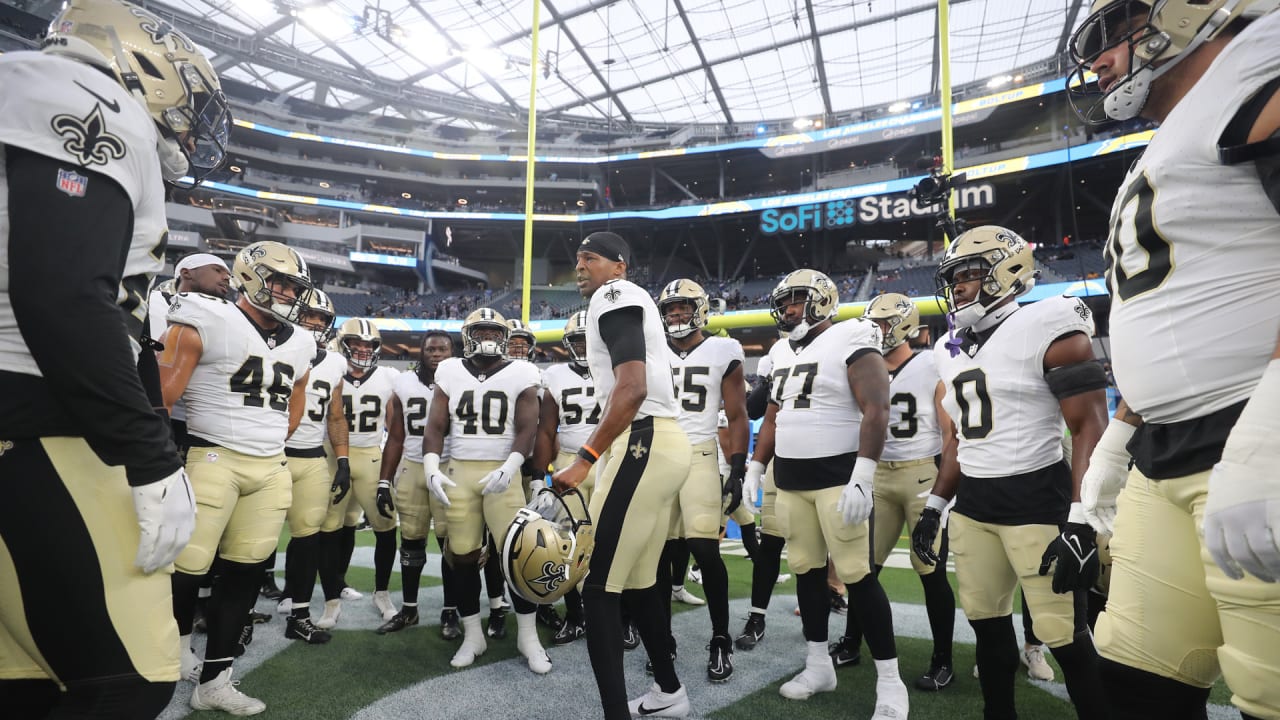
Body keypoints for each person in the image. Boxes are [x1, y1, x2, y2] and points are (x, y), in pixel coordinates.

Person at [0, 0, 227, 715]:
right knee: (132, 676)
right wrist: (150, 455)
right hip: (37, 417)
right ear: (148, 64)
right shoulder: (86, 95)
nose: (188, 127)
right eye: (188, 105)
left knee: (26, 672)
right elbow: (63, 291)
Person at [1069, 2, 1280, 718]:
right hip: (1163, 457)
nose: (1097, 60)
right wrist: (1118, 442)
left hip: (1254, 431)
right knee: (1132, 682)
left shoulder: (1261, 58)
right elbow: (1170, 312)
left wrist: (1273, 422)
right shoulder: (1171, 139)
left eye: (1112, 34)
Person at [911, 225, 1109, 720]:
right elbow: (956, 438)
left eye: (970, 274)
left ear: (1009, 272)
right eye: (952, 277)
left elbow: (1090, 426)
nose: (957, 287)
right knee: (987, 628)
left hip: (1034, 499)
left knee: (1065, 636)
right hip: (973, 507)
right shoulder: (948, 348)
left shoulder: (1049, 321)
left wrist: (1082, 519)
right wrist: (935, 506)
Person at [745, 269, 908, 716]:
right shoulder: (779, 351)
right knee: (805, 569)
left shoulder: (852, 334)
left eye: (797, 300)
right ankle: (818, 664)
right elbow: (773, 417)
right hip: (793, 481)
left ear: (822, 300)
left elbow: (876, 407)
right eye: (785, 301)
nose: (789, 309)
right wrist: (757, 465)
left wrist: (863, 473)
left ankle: (891, 683)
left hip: (838, 476)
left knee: (857, 575)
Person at [160, 240, 314, 715]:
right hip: (212, 457)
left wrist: (263, 442)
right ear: (250, 276)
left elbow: (294, 408)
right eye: (282, 282)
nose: (289, 293)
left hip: (270, 467)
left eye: (295, 286)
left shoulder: (303, 341)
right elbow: (162, 395)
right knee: (186, 569)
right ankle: (173, 655)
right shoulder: (207, 316)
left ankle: (216, 679)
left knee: (246, 572)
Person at [552, 231, 692, 719]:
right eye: (577, 259)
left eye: (590, 257)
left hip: (643, 439)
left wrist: (585, 457)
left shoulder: (615, 296)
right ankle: (669, 693)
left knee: (597, 586)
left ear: (619, 266)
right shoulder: (622, 299)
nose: (580, 266)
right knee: (638, 582)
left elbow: (631, 389)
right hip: (650, 441)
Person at [837, 292, 957, 691]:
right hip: (878, 476)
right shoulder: (863, 366)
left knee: (930, 570)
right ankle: (852, 642)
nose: (879, 332)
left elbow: (947, 431)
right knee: (862, 567)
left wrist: (942, 490)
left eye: (886, 324)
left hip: (920, 474)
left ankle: (943, 659)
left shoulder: (929, 364)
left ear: (906, 324)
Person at [421, 309, 548, 673]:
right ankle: (472, 634)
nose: (490, 336)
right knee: (462, 556)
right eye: (482, 330)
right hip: (459, 470)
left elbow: (528, 426)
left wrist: (511, 466)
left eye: (495, 330)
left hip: (502, 473)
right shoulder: (449, 370)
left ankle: (529, 637)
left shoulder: (523, 371)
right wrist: (431, 464)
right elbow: (436, 423)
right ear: (468, 334)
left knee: (518, 558)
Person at [658, 278, 749, 683]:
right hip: (659, 456)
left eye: (682, 308)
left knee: (704, 549)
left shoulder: (723, 349)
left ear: (700, 309)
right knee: (657, 554)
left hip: (699, 455)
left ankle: (720, 638)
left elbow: (738, 413)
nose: (676, 315)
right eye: (670, 309)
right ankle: (663, 637)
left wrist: (738, 467)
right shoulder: (652, 350)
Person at [278, 289, 351, 642]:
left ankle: (299, 615)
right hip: (270, 452)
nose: (316, 323)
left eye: (322, 318)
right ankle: (243, 615)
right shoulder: (273, 345)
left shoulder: (336, 363)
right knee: (254, 542)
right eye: (309, 315)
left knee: (308, 538)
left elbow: (335, 417)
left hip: (310, 457)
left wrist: (344, 460)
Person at [318, 319, 400, 625]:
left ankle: (382, 592)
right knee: (329, 526)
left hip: (369, 455)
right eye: (357, 344)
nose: (363, 350)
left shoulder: (389, 377)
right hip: (330, 455)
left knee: (386, 524)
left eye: (369, 345)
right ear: (344, 343)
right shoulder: (331, 370)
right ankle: (331, 597)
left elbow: (394, 429)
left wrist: (389, 473)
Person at [376, 330, 458, 635]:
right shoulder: (404, 383)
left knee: (451, 543)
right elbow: (396, 436)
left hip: (449, 466)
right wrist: (384, 481)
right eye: (430, 349)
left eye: (442, 349)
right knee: (410, 540)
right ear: (420, 353)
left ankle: (450, 611)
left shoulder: (461, 379)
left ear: (453, 352)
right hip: (412, 465)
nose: (436, 354)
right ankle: (409, 609)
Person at [531, 310, 601, 645]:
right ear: (568, 343)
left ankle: (623, 617)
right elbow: (546, 431)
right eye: (578, 339)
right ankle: (576, 615)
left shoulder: (618, 368)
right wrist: (538, 476)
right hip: (567, 461)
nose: (585, 346)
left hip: (610, 461)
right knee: (568, 545)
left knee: (614, 541)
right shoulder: (556, 375)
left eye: (590, 339)